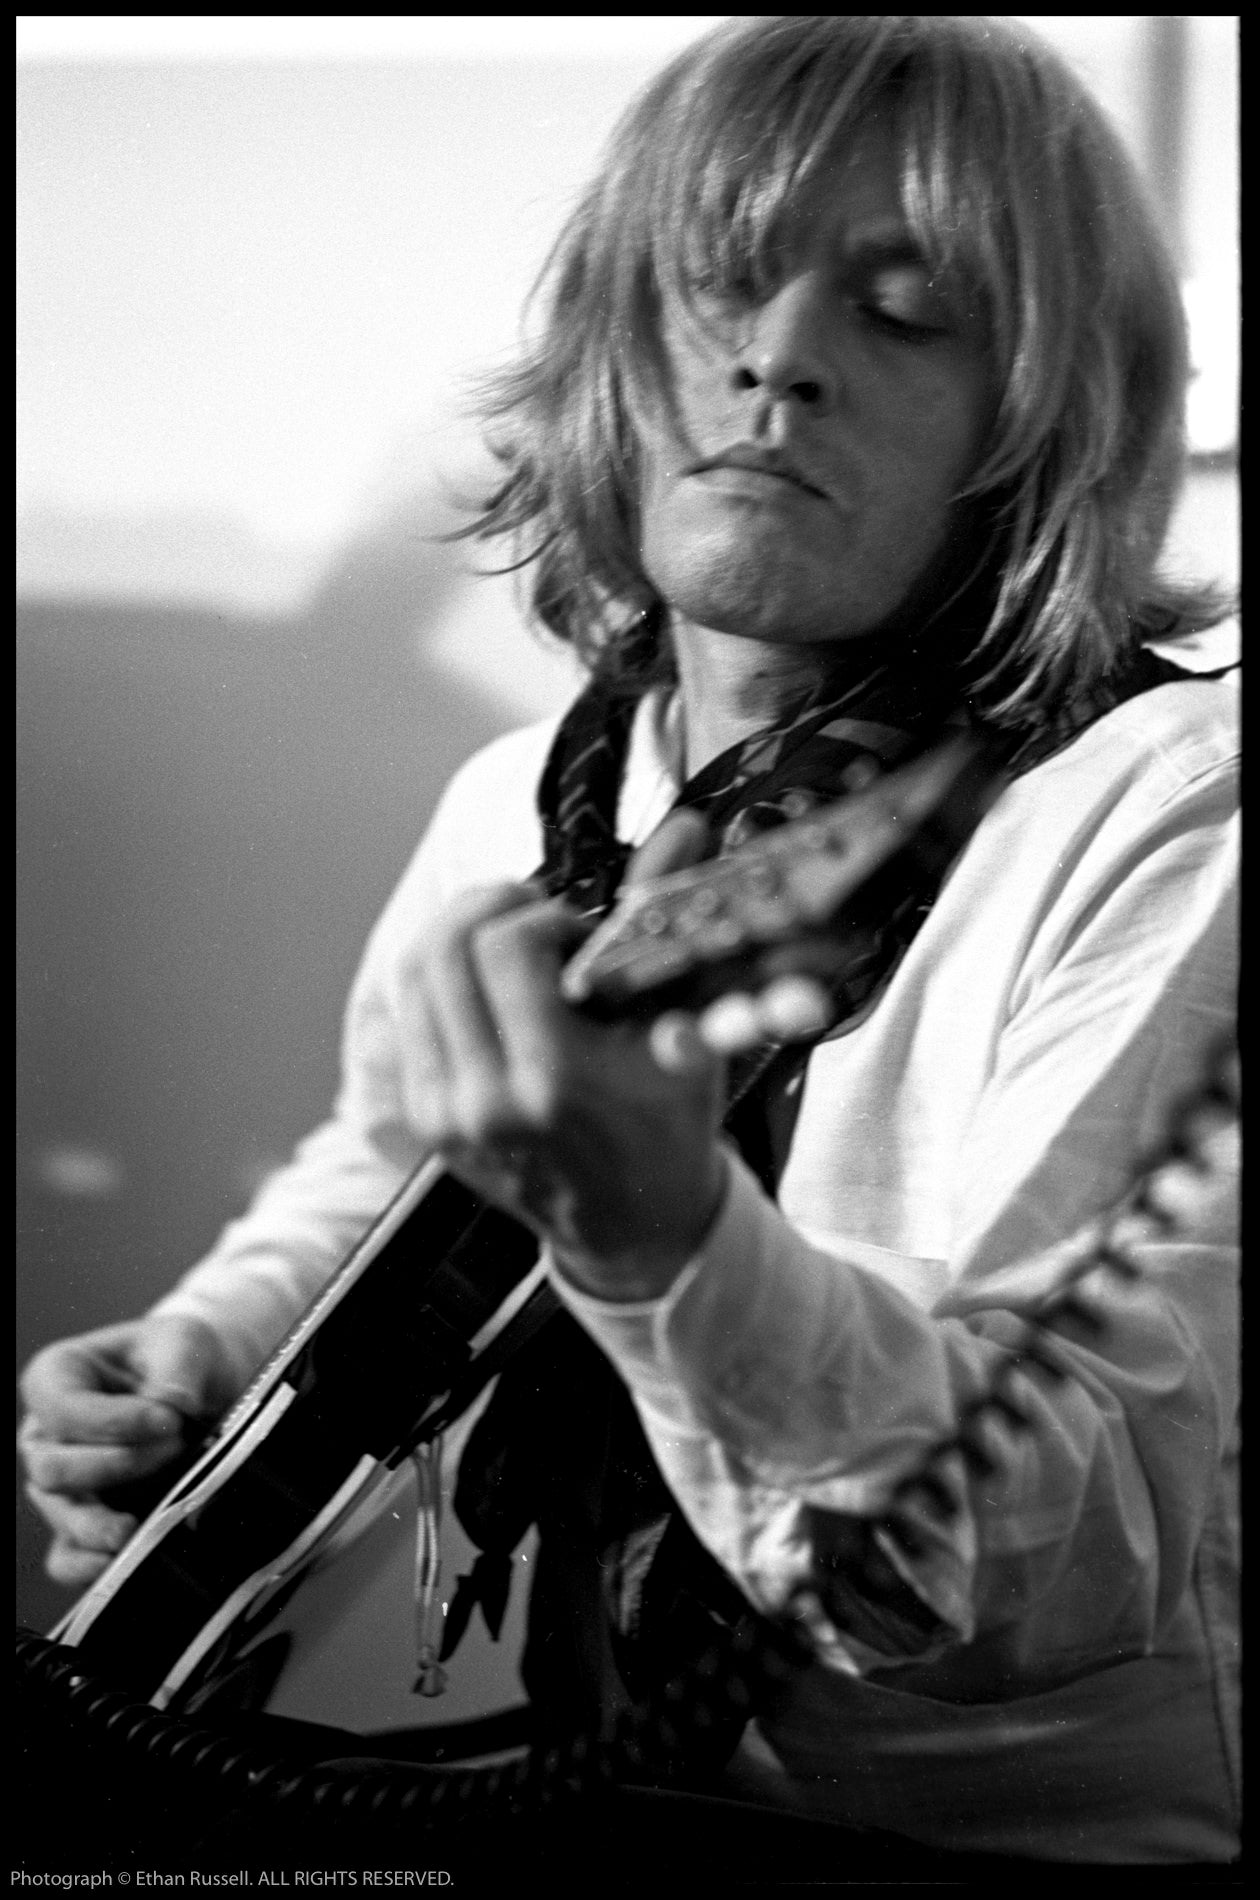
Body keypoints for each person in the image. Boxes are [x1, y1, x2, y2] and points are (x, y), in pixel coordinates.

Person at [19, 14, 1238, 1869]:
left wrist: (662, 1236)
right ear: (615, 345)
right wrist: (200, 1356)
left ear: (1034, 428)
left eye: (905, 312)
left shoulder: (1175, 808)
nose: (779, 357)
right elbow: (390, 1162)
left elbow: (1052, 1557)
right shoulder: (530, 793)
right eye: (722, 280)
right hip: (534, 1772)